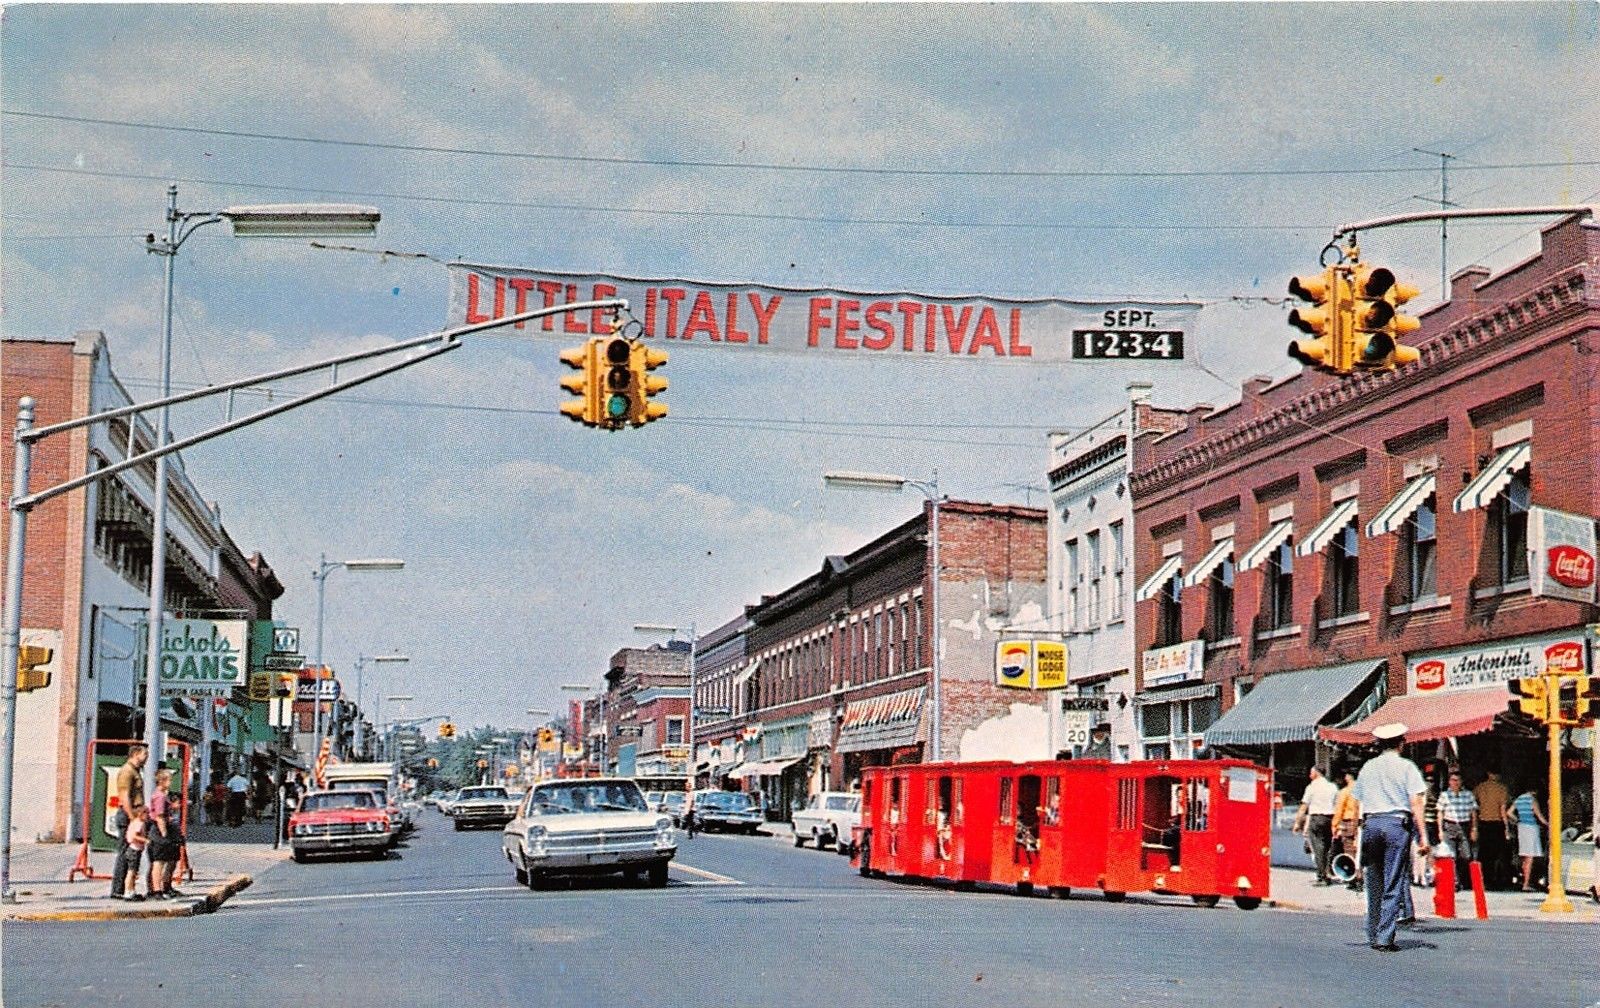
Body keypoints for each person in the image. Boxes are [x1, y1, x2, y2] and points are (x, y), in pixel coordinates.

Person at [1352, 723, 1428, 952]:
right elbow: (1416, 803)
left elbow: (1357, 802)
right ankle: (1385, 937)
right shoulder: (1407, 767)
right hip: (1396, 824)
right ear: (1401, 744)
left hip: (1371, 823)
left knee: (1374, 879)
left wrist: (1357, 834)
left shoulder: (1368, 767)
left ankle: (1373, 931)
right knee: (1393, 880)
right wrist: (1423, 837)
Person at [109, 744, 148, 900]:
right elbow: (124, 796)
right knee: (125, 853)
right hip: (128, 815)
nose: (146, 758)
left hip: (134, 814)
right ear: (136, 754)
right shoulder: (127, 771)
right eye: (144, 754)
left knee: (130, 853)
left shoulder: (135, 771)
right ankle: (118, 889)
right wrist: (132, 818)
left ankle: (127, 888)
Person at [1294, 766, 1339, 886]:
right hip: (1329, 818)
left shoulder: (1311, 787)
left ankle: (1322, 877)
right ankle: (1327, 872)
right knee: (1327, 847)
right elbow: (1337, 804)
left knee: (1318, 848)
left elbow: (1304, 806)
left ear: (1317, 773)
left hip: (1316, 818)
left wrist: (1298, 822)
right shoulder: (1332, 787)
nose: (1310, 775)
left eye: (1311, 773)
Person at [1436, 768, 1478, 891]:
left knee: (1466, 855)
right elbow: (1440, 813)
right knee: (1450, 855)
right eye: (1453, 780)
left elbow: (1473, 812)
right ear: (1449, 782)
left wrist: (1474, 828)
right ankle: (1454, 881)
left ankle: (1461, 876)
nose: (1455, 783)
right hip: (1450, 825)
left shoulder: (1468, 795)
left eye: (1458, 780)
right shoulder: (1444, 795)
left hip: (1464, 825)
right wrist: (1440, 830)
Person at [147, 768, 185, 899]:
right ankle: (157, 890)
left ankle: (165, 887)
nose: (171, 782)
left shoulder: (162, 795)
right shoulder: (160, 796)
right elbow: (160, 816)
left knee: (169, 861)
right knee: (159, 862)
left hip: (165, 830)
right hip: (160, 832)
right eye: (169, 780)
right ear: (162, 781)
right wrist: (164, 833)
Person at [1473, 769, 1511, 889]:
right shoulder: (1502, 789)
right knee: (1497, 853)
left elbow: (1474, 803)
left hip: (1483, 823)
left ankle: (1481, 878)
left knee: (1483, 853)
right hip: (1496, 823)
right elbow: (1502, 809)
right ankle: (1495, 879)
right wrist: (1506, 827)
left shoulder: (1480, 787)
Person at [1330, 767, 1363, 890]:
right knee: (1359, 850)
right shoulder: (1364, 790)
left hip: (1348, 822)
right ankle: (1360, 876)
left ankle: (1354, 878)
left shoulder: (1345, 791)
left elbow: (1339, 810)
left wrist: (1334, 825)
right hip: (1362, 822)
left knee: (1349, 850)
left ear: (1348, 777)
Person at [1510, 786, 1548, 892]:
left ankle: (1524, 881)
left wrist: (1518, 820)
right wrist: (1548, 824)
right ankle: (1526, 884)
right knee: (1530, 857)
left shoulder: (1519, 798)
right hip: (1531, 828)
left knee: (1525, 856)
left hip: (1521, 828)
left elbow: (1509, 812)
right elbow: (1539, 816)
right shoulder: (1532, 800)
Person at [119, 799, 149, 902]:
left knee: (133, 872)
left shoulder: (134, 822)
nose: (148, 816)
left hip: (134, 849)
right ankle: (128, 892)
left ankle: (131, 890)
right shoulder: (139, 824)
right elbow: (135, 836)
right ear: (140, 814)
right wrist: (146, 840)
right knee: (131, 872)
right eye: (146, 813)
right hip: (134, 850)